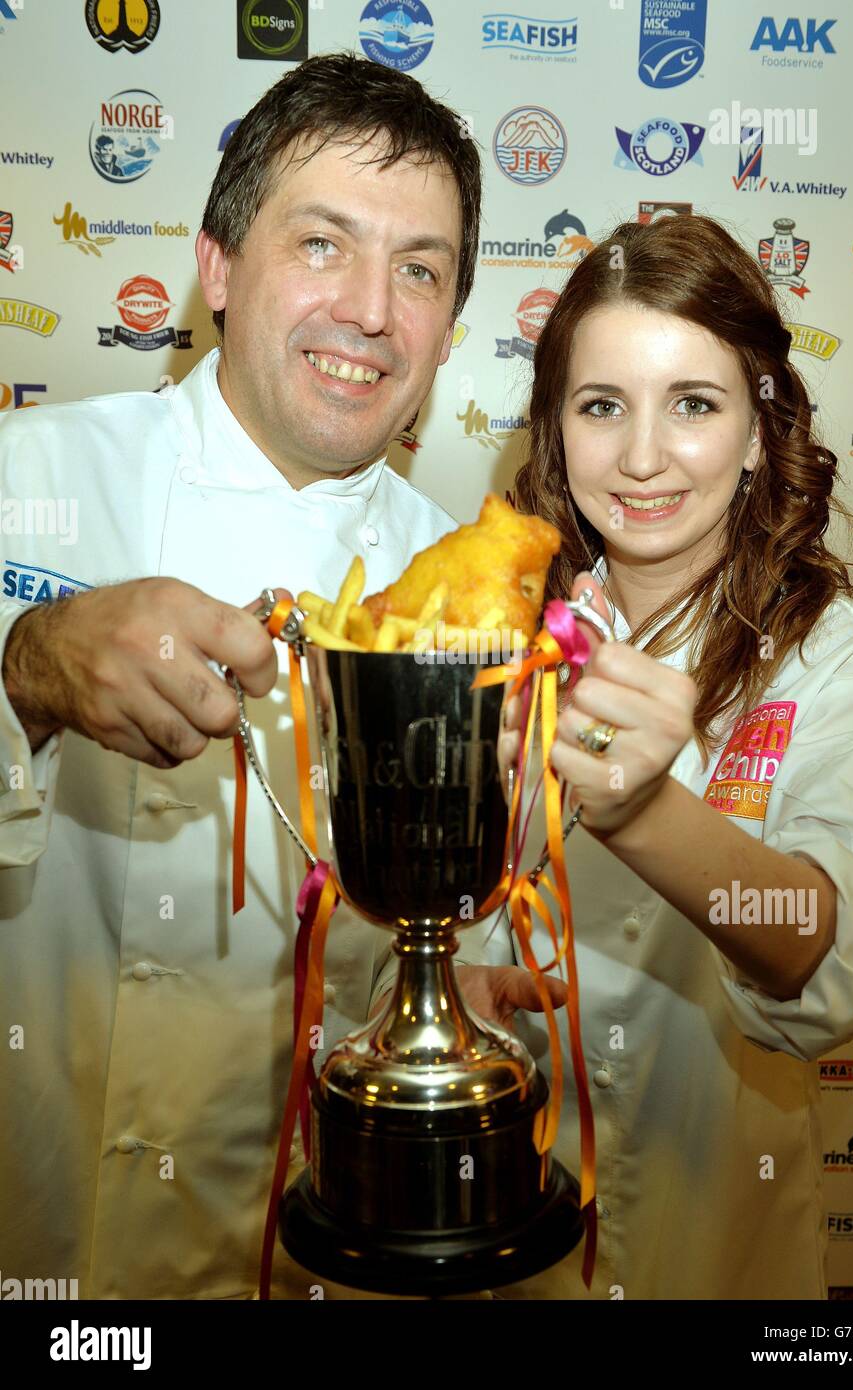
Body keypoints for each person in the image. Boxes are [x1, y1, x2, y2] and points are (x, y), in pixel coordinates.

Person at [0, 51, 549, 1302]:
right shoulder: (25, 476)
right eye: (322, 244)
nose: (371, 310)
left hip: (302, 1254)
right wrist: (22, 673)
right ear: (218, 265)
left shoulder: (462, 593)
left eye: (421, 270)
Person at [457, 214, 853, 1299]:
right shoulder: (480, 637)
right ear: (554, 430)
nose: (640, 457)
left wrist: (641, 814)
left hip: (719, 1255)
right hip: (496, 1249)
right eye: (600, 406)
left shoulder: (832, 662)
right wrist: (450, 987)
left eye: (694, 405)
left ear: (762, 430)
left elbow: (843, 954)